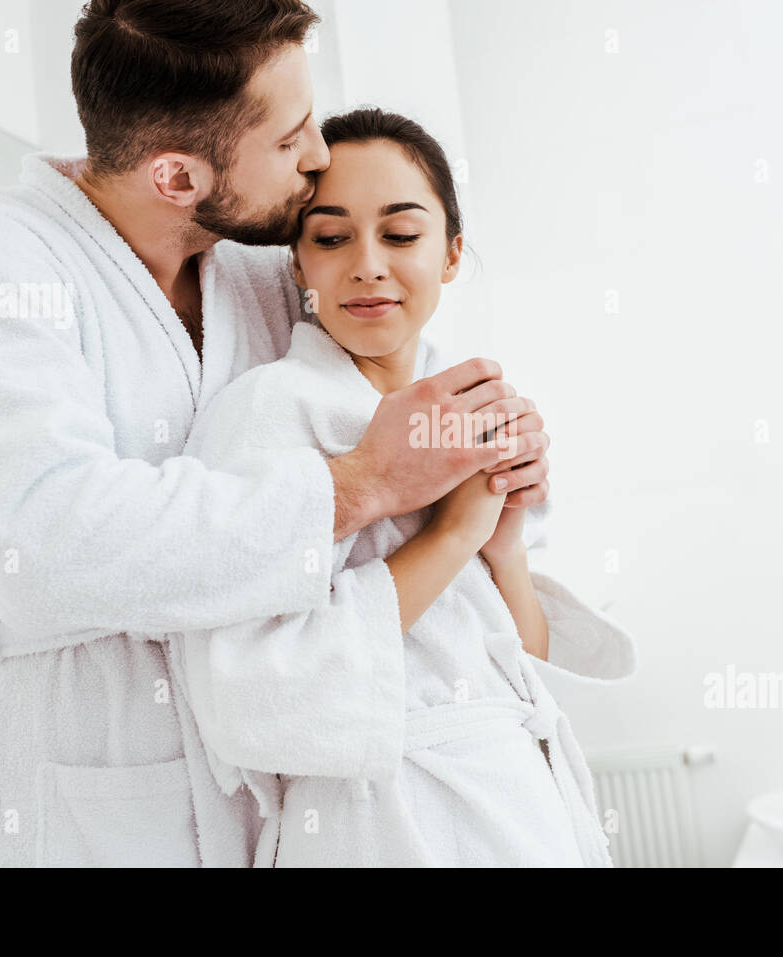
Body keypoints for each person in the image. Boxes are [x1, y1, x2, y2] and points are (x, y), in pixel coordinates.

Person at [0, 0, 551, 866]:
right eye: (289, 140)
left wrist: (496, 447)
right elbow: (42, 543)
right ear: (177, 178)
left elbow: (381, 388)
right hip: (87, 782)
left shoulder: (259, 267)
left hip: (289, 790)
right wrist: (359, 485)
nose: (316, 158)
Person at [171, 108, 636, 866]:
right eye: (330, 237)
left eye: (400, 233)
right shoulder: (266, 414)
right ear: (297, 264)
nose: (367, 264)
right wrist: (452, 538)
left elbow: (518, 665)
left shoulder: (467, 406)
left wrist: (503, 541)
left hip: (521, 802)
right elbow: (254, 694)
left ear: (451, 254)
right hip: (383, 825)